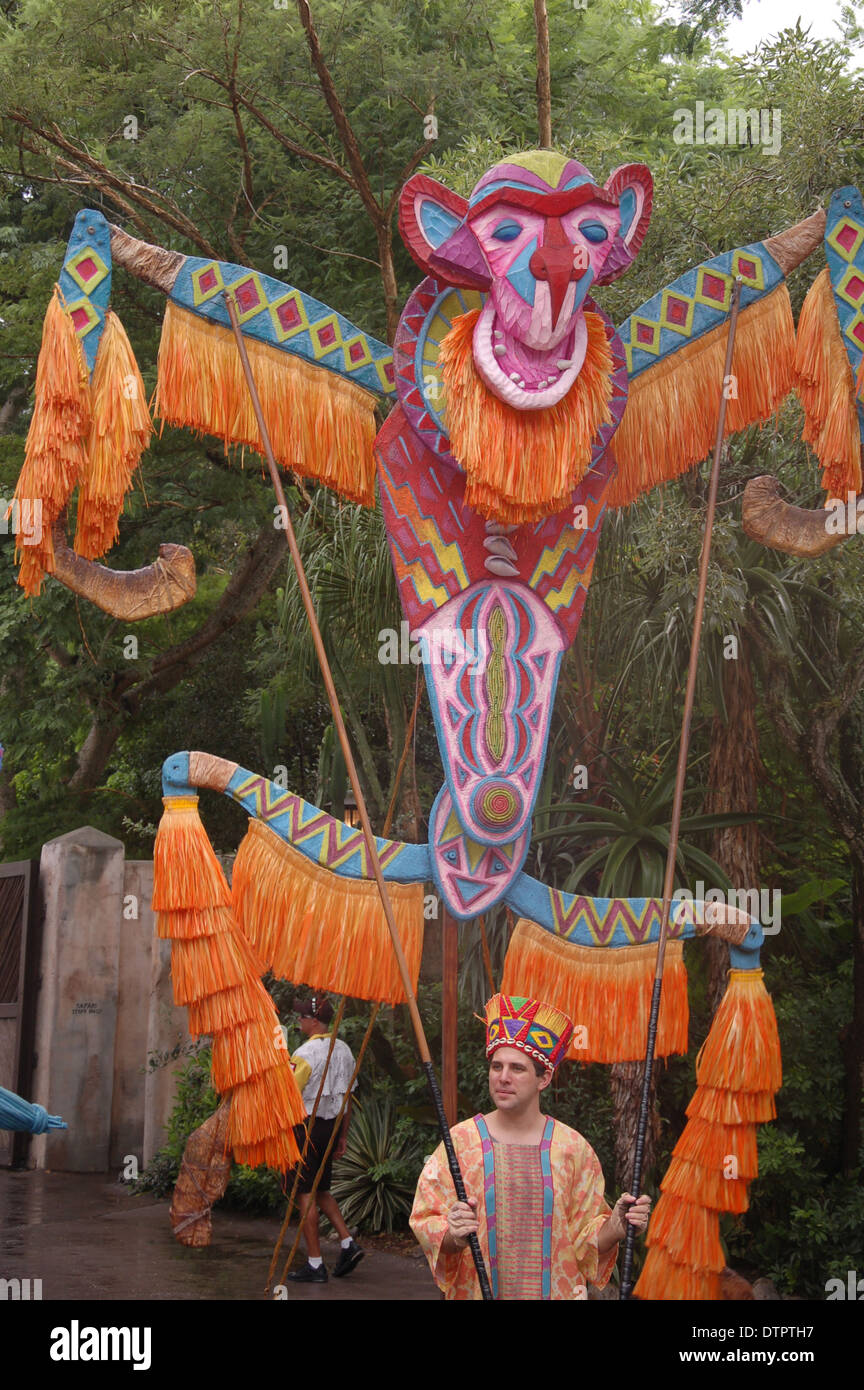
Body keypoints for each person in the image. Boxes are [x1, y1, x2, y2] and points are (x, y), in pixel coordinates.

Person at [410, 993, 651, 1300]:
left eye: (517, 1068)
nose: (503, 1078)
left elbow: (584, 1243)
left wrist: (616, 1227)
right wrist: (452, 1235)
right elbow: (425, 1220)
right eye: (496, 1067)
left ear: (544, 1077)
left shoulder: (573, 1149)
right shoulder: (460, 1143)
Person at [285, 994, 364, 1283]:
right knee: (321, 1190)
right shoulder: (343, 1049)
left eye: (303, 1017)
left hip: (306, 1129)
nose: (299, 1020)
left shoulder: (304, 1055)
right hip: (330, 1128)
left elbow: (287, 1096)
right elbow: (348, 1099)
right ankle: (347, 1242)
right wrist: (342, 1136)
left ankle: (315, 1264)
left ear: (315, 1021)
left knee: (305, 1194)